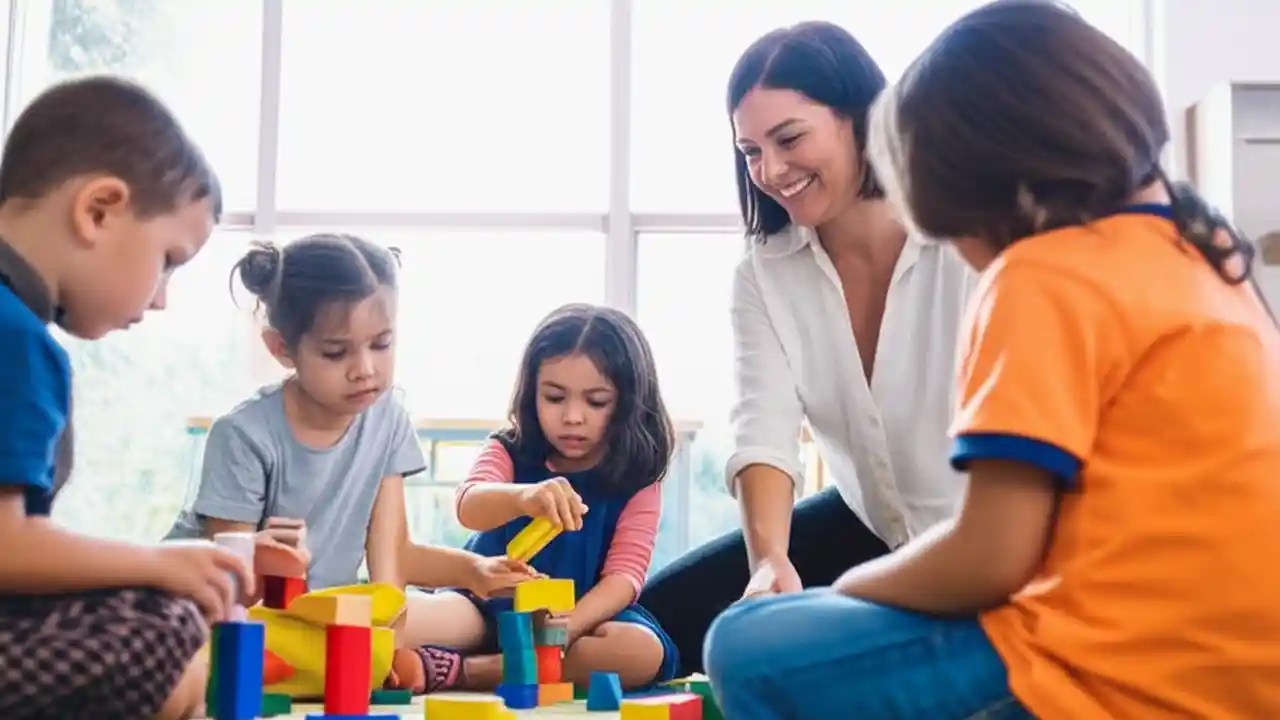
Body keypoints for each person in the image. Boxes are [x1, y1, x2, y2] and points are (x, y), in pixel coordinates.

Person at [703, 1, 1280, 718]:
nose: (967, 252)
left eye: (951, 221)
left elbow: (992, 556)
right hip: (1242, 661)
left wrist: (843, 592)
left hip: (1111, 657)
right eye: (751, 151)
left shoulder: (1046, 274)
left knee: (744, 643)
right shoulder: (1205, 255)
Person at [638, 20, 975, 675]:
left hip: (980, 535)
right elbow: (763, 429)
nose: (771, 170)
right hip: (871, 523)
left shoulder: (965, 240)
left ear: (860, 118)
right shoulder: (765, 272)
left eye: (789, 138)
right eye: (751, 151)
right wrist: (770, 561)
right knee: (656, 618)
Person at [0, 76, 253, 719]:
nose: (161, 296)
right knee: (163, 626)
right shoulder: (16, 337)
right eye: (168, 259)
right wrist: (154, 564)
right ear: (100, 210)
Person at [165, 235, 536, 611]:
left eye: (381, 344)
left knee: (404, 655)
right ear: (281, 348)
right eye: (336, 352)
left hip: (316, 617)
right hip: (205, 609)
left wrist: (473, 572)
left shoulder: (387, 417)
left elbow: (390, 555)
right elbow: (231, 586)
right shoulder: (243, 435)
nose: (365, 370)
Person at [387, 303, 680, 694]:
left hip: (574, 617)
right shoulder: (510, 449)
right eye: (555, 397)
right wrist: (524, 497)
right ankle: (490, 659)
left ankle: (467, 672)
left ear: (626, 402)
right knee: (400, 616)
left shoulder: (637, 476)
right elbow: (469, 506)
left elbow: (624, 577)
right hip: (483, 604)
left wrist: (568, 625)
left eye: (596, 401)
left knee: (640, 651)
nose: (573, 416)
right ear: (532, 393)